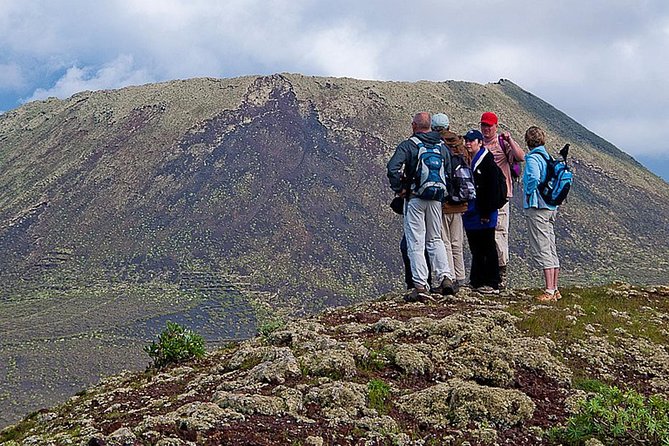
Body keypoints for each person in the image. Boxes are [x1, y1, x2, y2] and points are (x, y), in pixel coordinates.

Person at [387, 112, 455, 302]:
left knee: (416, 241)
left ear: (415, 126)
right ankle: (445, 278)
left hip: (415, 198)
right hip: (436, 199)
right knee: (435, 239)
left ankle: (420, 285)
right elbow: (449, 173)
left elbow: (392, 168)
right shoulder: (442, 146)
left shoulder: (409, 145)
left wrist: (400, 189)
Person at [480, 112, 525, 289]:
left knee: (499, 233)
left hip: (501, 196)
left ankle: (501, 273)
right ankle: (485, 273)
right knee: (483, 235)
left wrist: (510, 140)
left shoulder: (502, 144)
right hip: (482, 196)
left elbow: (521, 157)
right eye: (483, 125)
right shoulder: (478, 143)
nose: (486, 128)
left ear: (496, 126)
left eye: (489, 125)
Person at [522, 126, 561, 302]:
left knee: (542, 246)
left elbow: (533, 178)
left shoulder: (532, 159)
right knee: (550, 245)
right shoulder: (547, 157)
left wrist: (529, 192)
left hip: (538, 206)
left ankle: (549, 290)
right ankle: (555, 288)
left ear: (528, 141)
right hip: (551, 207)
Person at [431, 113, 468, 290]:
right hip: (460, 201)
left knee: (443, 241)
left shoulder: (436, 146)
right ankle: (461, 277)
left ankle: (449, 278)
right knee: (457, 241)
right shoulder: (461, 145)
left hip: (443, 202)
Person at [462, 129, 501, 294]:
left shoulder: (487, 163)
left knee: (487, 246)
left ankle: (492, 282)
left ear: (479, 142)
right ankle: (477, 280)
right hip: (473, 212)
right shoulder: (474, 161)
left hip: (484, 212)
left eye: (471, 141)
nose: (468, 144)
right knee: (477, 247)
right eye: (467, 141)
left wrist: (486, 212)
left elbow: (491, 189)